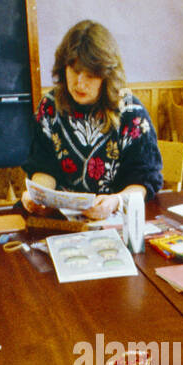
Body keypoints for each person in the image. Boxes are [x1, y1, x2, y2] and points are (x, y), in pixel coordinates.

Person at [21, 20, 163, 219]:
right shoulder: (50, 106)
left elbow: (144, 181)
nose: (80, 83)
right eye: (74, 70)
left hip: (114, 220)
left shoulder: (132, 114)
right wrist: (38, 196)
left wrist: (114, 202)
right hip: (60, 220)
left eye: (91, 75)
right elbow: (44, 166)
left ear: (107, 76)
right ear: (63, 68)